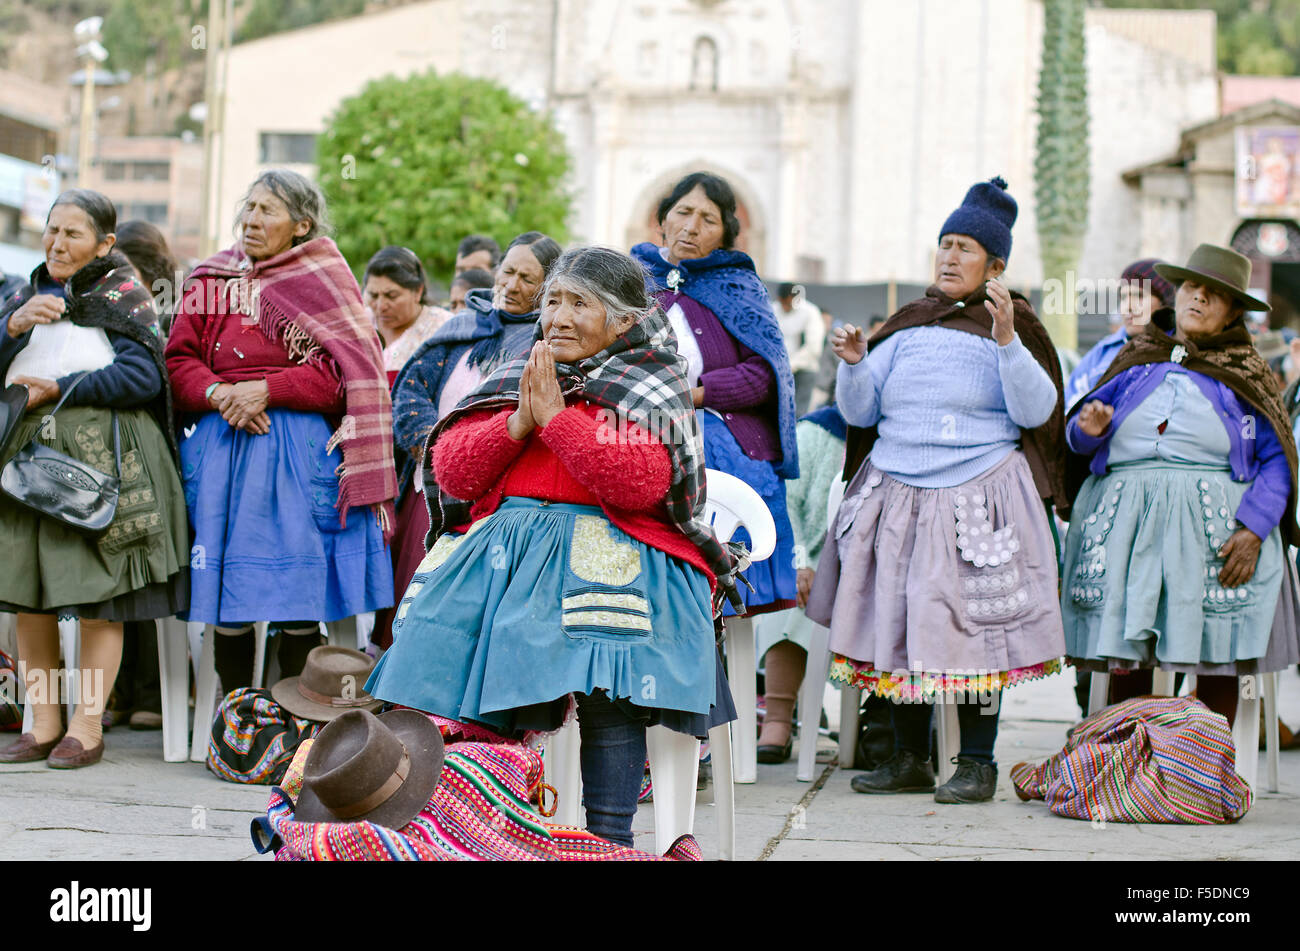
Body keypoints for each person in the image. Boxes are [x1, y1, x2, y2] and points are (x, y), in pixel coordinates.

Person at [366, 246, 738, 847]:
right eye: (553, 302)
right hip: (507, 552)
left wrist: (559, 421)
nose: (558, 318)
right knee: (439, 641)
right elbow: (455, 474)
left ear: (621, 320)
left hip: (624, 547)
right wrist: (518, 422)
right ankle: (469, 824)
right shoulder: (526, 367)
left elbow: (640, 483)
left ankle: (609, 841)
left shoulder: (648, 375)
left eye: (578, 305)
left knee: (605, 665)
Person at [806, 177, 1069, 804]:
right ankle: (906, 757)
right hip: (898, 492)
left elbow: (1038, 411)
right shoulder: (908, 326)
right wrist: (853, 364)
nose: (949, 257)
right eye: (944, 245)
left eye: (965, 248)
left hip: (976, 495)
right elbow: (863, 412)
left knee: (978, 628)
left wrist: (1007, 341)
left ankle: (976, 761)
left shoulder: (1010, 329)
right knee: (896, 618)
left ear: (996, 266)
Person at [165, 169, 395, 694]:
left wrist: (266, 390)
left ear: (301, 224)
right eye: (248, 207)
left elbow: (348, 374)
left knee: (297, 597)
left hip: (299, 455)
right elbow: (178, 360)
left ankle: (297, 725)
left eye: (267, 210)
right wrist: (221, 393)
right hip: (224, 449)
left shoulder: (324, 279)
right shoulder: (211, 278)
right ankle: (238, 720)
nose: (251, 219)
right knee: (229, 597)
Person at [1063, 244, 1300, 726]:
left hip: (1214, 532)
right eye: (1192, 287)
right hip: (1127, 528)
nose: (1197, 299)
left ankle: (1202, 765)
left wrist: (1254, 529)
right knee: (1129, 641)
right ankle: (1126, 757)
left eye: (1212, 295)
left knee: (1218, 643)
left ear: (1233, 311)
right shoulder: (1138, 357)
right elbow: (1077, 438)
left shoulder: (1245, 372)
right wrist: (1090, 431)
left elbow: (1276, 458)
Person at [0, 189, 189, 767]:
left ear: (105, 243)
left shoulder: (123, 295)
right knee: (28, 595)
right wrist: (10, 327)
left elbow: (143, 377)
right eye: (52, 231)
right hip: (24, 469)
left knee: (97, 598)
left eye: (73, 234)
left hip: (101, 468)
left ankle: (87, 726)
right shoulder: (23, 294)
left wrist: (58, 387)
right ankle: (43, 723)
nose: (57, 243)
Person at [374, 232, 562, 651]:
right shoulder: (464, 325)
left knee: (460, 619)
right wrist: (434, 448)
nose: (512, 285)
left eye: (527, 278)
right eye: (507, 272)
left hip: (492, 498)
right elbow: (411, 389)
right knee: (411, 600)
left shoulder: (546, 344)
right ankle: (401, 707)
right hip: (430, 485)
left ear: (549, 288)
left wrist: (476, 458)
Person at [630, 172, 799, 620]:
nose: (691, 226)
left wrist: (695, 394)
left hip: (722, 437)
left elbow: (766, 374)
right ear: (662, 220)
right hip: (636, 429)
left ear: (725, 232)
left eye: (707, 218)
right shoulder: (628, 281)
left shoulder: (739, 288)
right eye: (683, 212)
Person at [103, 219, 186, 732]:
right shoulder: (108, 308)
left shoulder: (175, 313)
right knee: (117, 577)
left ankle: (153, 692)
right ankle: (115, 691)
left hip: (161, 456)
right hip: (113, 456)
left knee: (153, 578)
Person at [752, 405, 846, 762]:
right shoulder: (817, 432)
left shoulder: (897, 433)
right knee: (793, 585)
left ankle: (880, 721)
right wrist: (801, 560)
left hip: (861, 560)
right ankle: (778, 715)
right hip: (808, 547)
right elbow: (786, 500)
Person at [1064, 260, 1176, 410]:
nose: (1128, 306)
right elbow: (1069, 405)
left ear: (1165, 304)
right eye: (1123, 298)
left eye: (1139, 296)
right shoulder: (1102, 351)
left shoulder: (1178, 353)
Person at [362, 246, 451, 383]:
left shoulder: (442, 328)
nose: (381, 306)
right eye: (373, 295)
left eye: (391, 296)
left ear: (417, 292)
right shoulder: (360, 322)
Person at [773, 282, 826, 415]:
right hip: (778, 369)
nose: (784, 307)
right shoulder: (773, 309)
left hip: (804, 370)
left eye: (787, 303)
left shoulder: (810, 312)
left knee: (797, 413)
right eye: (782, 303)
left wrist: (791, 365)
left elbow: (814, 347)